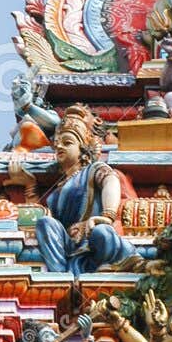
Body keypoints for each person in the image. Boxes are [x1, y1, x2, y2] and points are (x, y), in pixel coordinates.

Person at [35, 105, 140, 278]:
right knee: (45, 223)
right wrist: (29, 186)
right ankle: (61, 275)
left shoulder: (93, 170)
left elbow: (111, 181)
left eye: (67, 142)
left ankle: (116, 262)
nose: (59, 146)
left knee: (103, 233)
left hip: (95, 236)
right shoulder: (54, 195)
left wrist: (107, 216)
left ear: (84, 149)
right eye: (57, 144)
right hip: (70, 243)